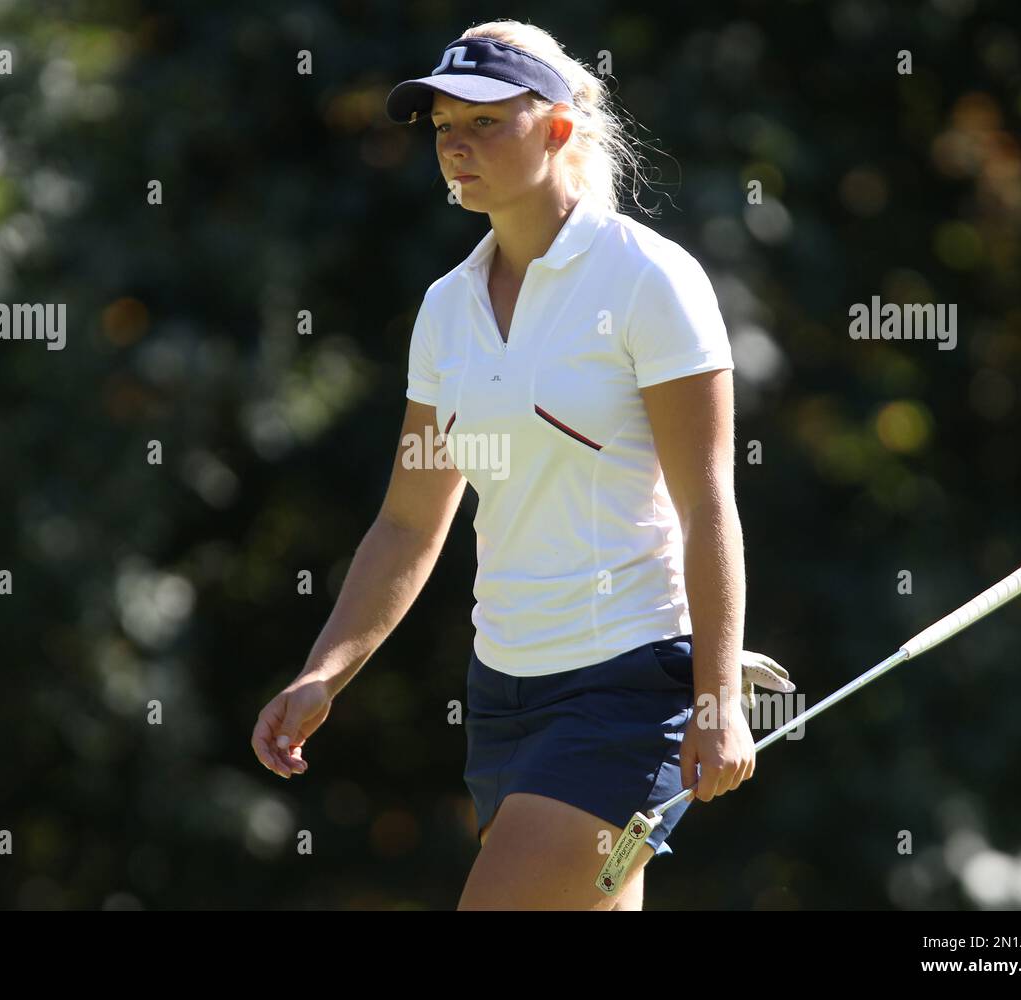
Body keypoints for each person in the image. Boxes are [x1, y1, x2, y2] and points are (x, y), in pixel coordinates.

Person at [253, 20, 765, 910]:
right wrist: (323, 671)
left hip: (626, 688)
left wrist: (718, 697)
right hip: (501, 697)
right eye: (444, 124)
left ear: (560, 127)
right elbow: (411, 519)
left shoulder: (650, 279)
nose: (456, 143)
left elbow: (707, 503)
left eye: (486, 121)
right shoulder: (446, 309)